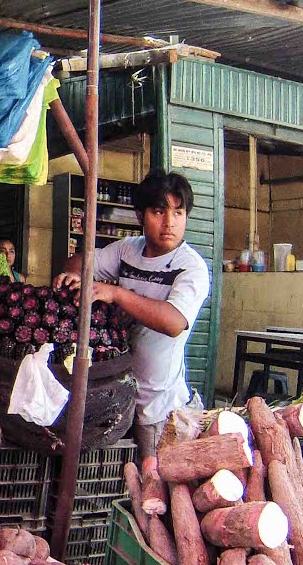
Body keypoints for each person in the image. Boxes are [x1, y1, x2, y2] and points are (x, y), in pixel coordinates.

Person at [54, 169, 209, 470]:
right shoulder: (129, 249)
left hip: (157, 405)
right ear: (140, 215)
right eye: (158, 211)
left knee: (153, 482)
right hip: (113, 392)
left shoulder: (191, 268)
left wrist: (116, 294)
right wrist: (75, 274)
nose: (169, 222)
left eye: (178, 212)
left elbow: (174, 322)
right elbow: (80, 260)